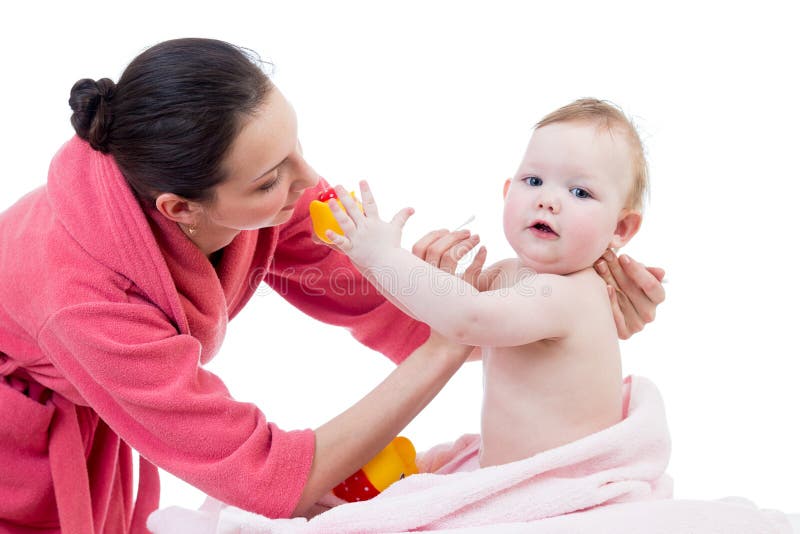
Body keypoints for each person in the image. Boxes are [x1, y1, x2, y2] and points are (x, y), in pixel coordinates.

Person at [0, 37, 663, 533]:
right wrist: (460, 330)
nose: (308, 180)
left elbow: (386, 297)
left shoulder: (251, 191)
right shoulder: (82, 303)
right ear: (181, 209)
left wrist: (570, 305)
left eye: (296, 147)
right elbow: (264, 473)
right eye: (269, 180)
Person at [328, 98, 660, 467]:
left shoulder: (571, 294)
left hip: (554, 489)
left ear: (620, 228)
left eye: (579, 192)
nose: (547, 200)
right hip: (511, 477)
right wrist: (375, 262)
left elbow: (467, 319)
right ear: (507, 192)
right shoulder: (509, 273)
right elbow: (443, 321)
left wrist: (385, 256)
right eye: (533, 181)